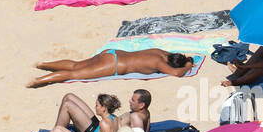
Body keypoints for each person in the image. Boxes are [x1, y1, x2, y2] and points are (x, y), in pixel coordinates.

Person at [29, 50, 194, 87]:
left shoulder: (159, 53)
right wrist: (188, 65)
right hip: (114, 65)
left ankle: (43, 64)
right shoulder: (160, 64)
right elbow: (177, 73)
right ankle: (36, 81)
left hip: (112, 53)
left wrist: (186, 58)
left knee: (76, 64)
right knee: (75, 74)